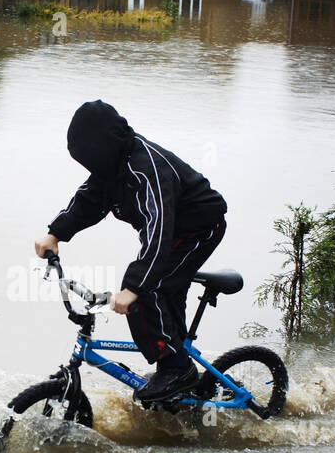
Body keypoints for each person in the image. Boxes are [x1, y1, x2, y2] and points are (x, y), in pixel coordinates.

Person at [34, 100, 228, 403]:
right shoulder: (111, 167)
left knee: (148, 288)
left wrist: (135, 287)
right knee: (161, 291)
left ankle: (177, 369)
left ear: (104, 146)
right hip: (169, 234)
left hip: (197, 230)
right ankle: (176, 365)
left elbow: (159, 228)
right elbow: (89, 201)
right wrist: (55, 232)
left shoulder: (147, 167)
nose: (90, 166)